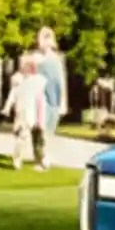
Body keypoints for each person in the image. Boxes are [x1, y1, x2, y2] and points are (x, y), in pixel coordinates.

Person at [2, 54, 49, 170]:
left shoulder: (39, 80)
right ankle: (17, 160)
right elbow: (13, 95)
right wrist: (7, 108)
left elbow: (42, 96)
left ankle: (41, 160)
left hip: (37, 114)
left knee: (39, 139)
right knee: (22, 137)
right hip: (24, 113)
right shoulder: (19, 80)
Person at [32, 26, 66, 169]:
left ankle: (45, 160)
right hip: (38, 100)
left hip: (50, 101)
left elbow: (60, 82)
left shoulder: (55, 60)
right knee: (36, 131)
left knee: (46, 131)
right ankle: (39, 158)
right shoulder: (36, 58)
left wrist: (62, 103)